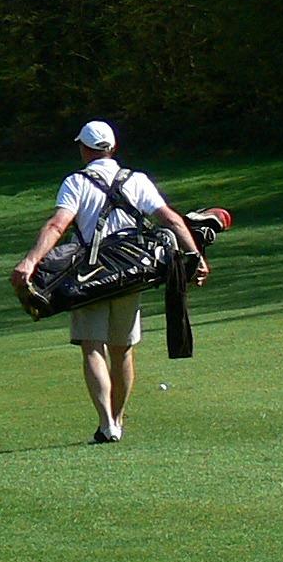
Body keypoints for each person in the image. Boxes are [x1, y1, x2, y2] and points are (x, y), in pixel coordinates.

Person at [11, 121, 209, 443]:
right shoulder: (137, 180)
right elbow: (171, 219)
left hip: (89, 277)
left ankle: (106, 424)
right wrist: (196, 257)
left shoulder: (76, 182)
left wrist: (30, 261)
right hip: (132, 274)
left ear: (84, 149)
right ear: (113, 148)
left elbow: (57, 226)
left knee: (92, 347)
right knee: (123, 350)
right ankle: (117, 419)